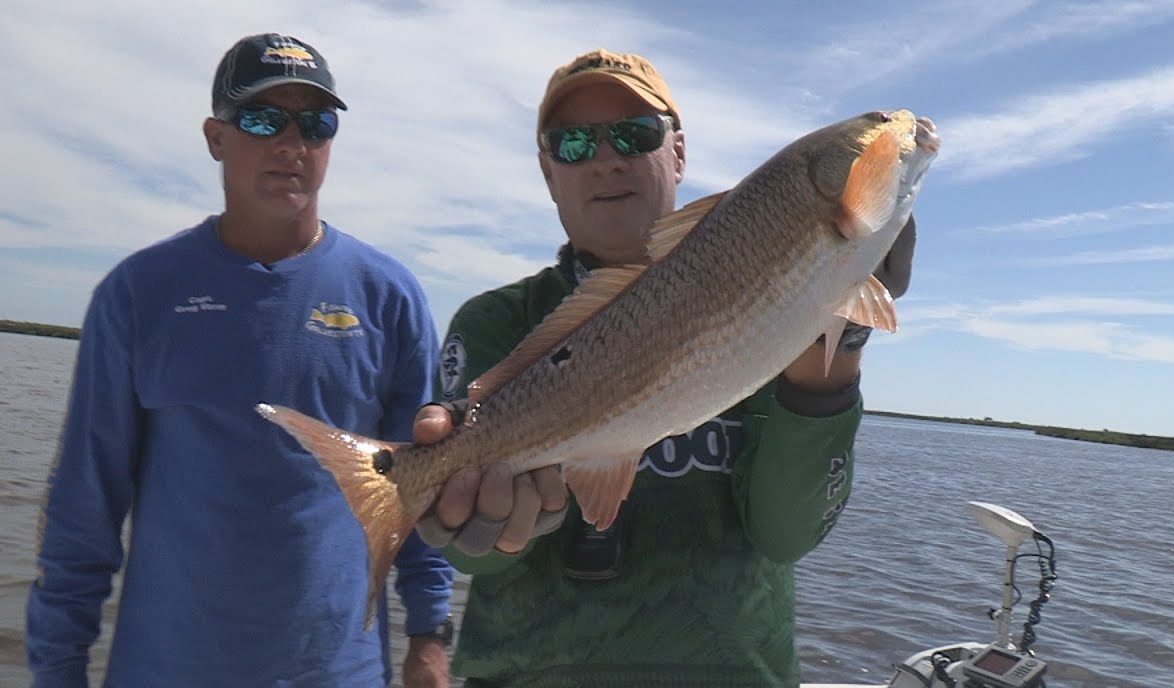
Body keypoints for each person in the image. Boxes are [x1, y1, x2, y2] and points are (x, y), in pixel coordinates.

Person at [410, 49, 917, 687]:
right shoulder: (497, 322)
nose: (605, 158)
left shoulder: (767, 294)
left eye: (634, 133)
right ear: (547, 171)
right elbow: (468, 555)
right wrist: (471, 523)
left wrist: (833, 348)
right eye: (572, 143)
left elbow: (788, 533)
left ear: (676, 152)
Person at [25, 33, 454, 688]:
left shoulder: (389, 297)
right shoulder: (137, 293)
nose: (291, 143)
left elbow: (421, 487)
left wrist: (428, 636)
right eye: (261, 118)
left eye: (315, 123)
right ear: (215, 136)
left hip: (339, 672)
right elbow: (84, 509)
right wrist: (58, 669)